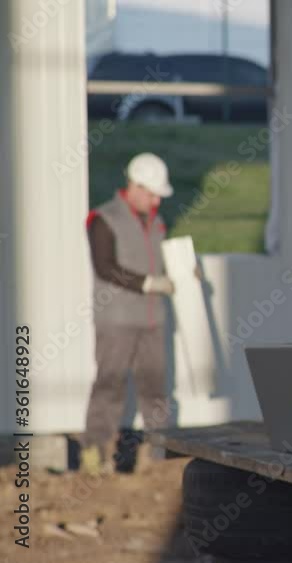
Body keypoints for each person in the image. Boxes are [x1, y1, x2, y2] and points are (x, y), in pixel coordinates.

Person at [81, 152, 176, 475]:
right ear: (134, 186)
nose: (155, 201)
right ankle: (94, 457)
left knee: (155, 389)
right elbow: (105, 266)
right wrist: (148, 283)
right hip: (117, 320)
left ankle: (160, 459)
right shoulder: (103, 219)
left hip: (152, 320)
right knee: (109, 387)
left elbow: (160, 261)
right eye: (151, 194)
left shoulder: (157, 222)